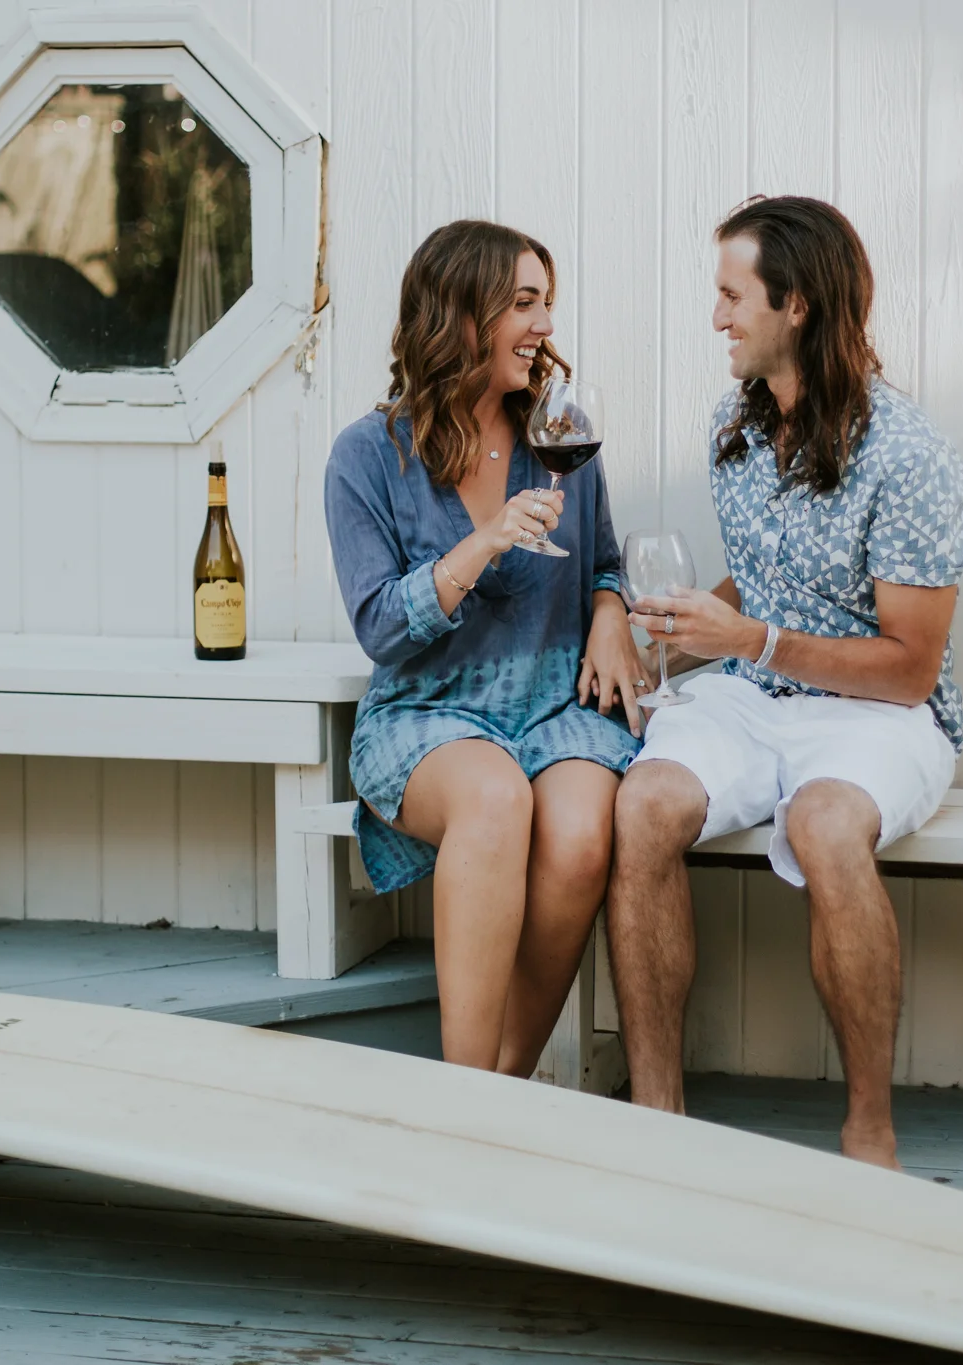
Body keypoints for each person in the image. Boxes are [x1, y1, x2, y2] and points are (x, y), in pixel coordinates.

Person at [609, 196, 963, 1167]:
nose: (717, 317)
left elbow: (907, 669)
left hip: (875, 718)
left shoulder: (905, 457)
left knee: (821, 824)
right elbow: (765, 582)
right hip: (753, 695)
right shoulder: (735, 427)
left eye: (733, 296)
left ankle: (868, 1134)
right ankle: (657, 1122)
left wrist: (751, 638)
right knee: (642, 800)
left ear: (797, 306)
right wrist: (673, 633)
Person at [325, 219, 646, 1074]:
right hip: (430, 710)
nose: (545, 325)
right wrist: (485, 541)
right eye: (523, 303)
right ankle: (464, 1096)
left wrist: (611, 611)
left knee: (582, 830)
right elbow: (381, 628)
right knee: (498, 799)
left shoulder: (558, 436)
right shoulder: (366, 455)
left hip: (551, 703)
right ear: (458, 316)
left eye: (549, 302)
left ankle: (500, 1091)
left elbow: (605, 560)